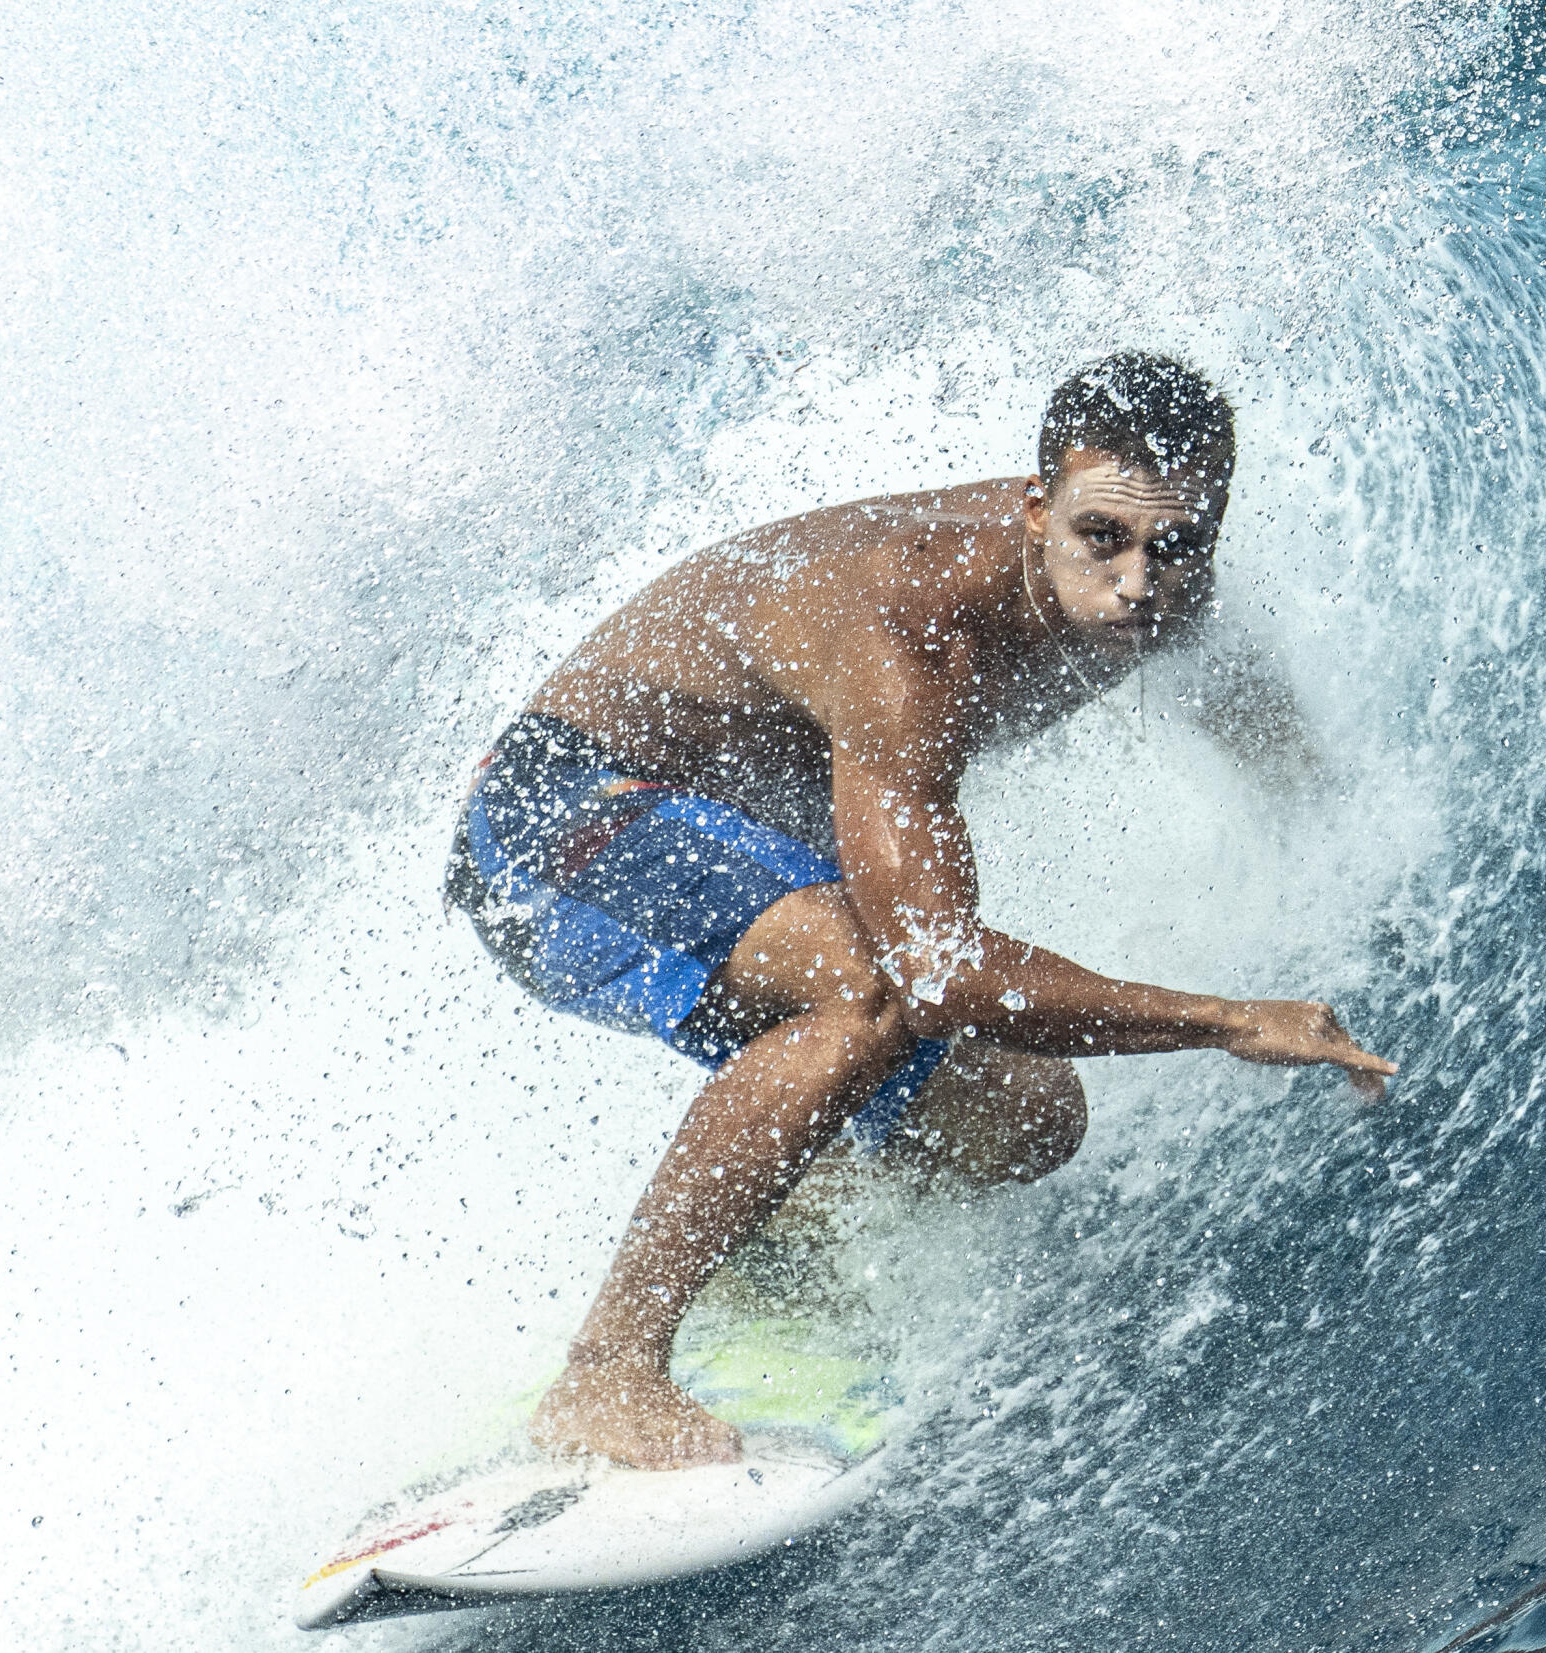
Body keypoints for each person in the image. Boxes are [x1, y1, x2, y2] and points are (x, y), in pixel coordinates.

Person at [445, 353, 1395, 1470]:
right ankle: (603, 1375)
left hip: (726, 838)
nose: (1137, 583)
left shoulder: (1154, 581)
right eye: (1102, 539)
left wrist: (1357, 849)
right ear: (1036, 510)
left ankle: (771, 1229)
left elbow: (1261, 730)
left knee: (1029, 1116)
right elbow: (939, 970)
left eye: (1177, 547)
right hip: (555, 821)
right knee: (868, 994)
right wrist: (1232, 1021)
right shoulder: (913, 635)